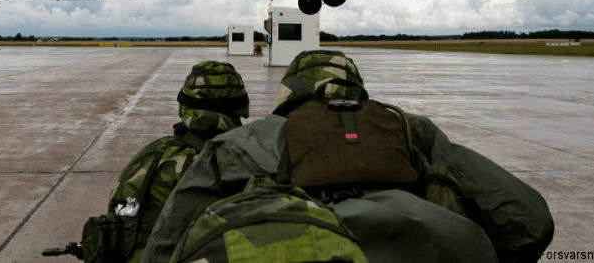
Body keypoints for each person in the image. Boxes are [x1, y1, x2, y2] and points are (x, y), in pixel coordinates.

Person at [141, 50, 554, 263]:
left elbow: (169, 239)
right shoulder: (412, 129)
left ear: (288, 95)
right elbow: (530, 223)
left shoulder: (249, 139)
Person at [80, 60, 250, 263]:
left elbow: (119, 217)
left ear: (183, 106)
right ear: (240, 108)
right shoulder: (253, 158)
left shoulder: (153, 155)